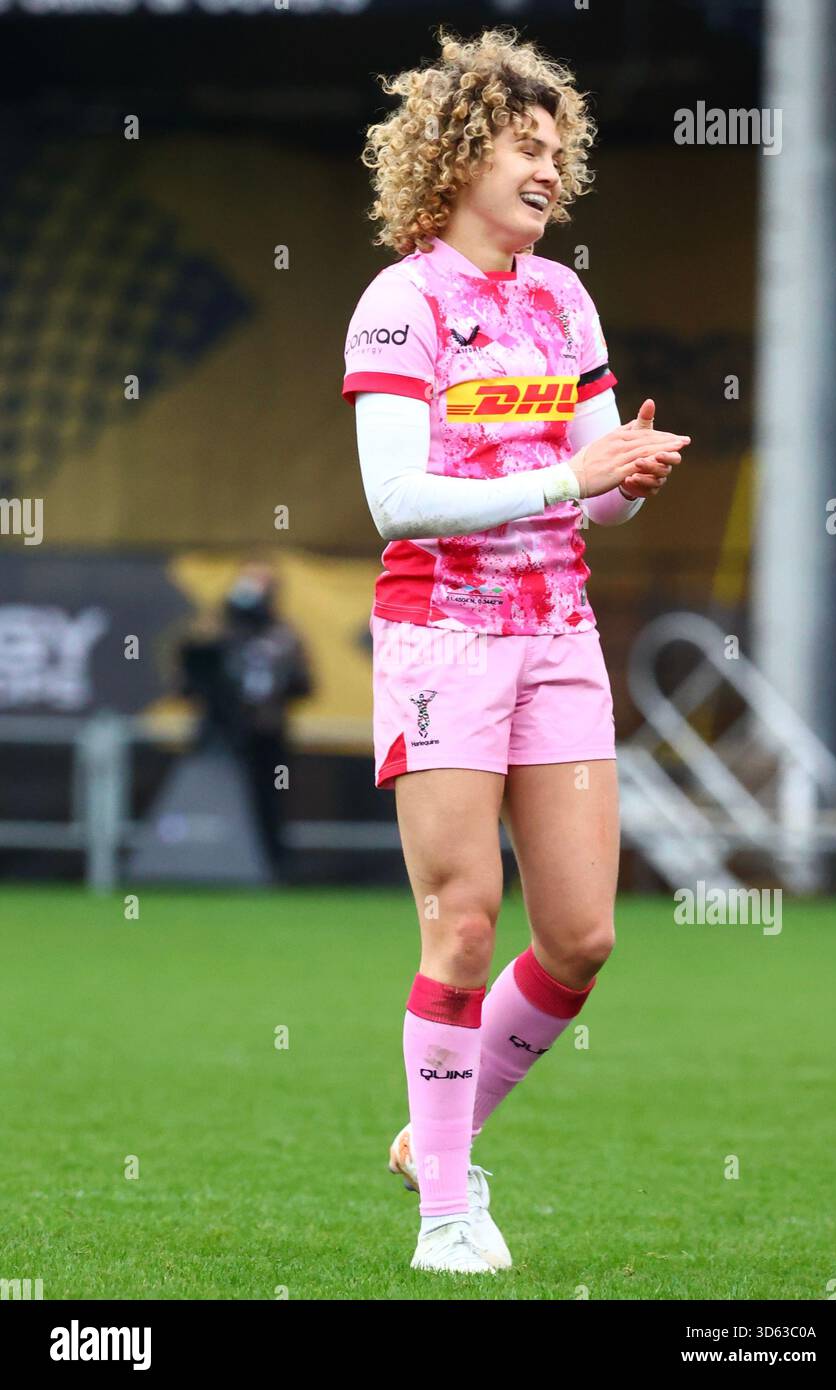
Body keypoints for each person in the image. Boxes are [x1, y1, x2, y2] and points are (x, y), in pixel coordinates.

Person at [342, 26, 691, 1275]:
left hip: (556, 636)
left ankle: (431, 1139)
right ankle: (449, 1206)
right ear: (454, 159)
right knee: (462, 926)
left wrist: (625, 484)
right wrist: (569, 473)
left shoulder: (561, 298)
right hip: (442, 639)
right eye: (521, 145)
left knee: (582, 937)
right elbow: (396, 500)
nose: (547, 169)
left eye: (558, 150)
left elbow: (586, 497)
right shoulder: (400, 302)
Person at [179, 562, 313, 880]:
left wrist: (268, 697)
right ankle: (201, 864)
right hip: (216, 734)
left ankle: (271, 869)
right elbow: (187, 678)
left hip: (266, 734)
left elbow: (303, 683)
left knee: (267, 802)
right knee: (209, 800)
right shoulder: (216, 629)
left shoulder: (284, 635)